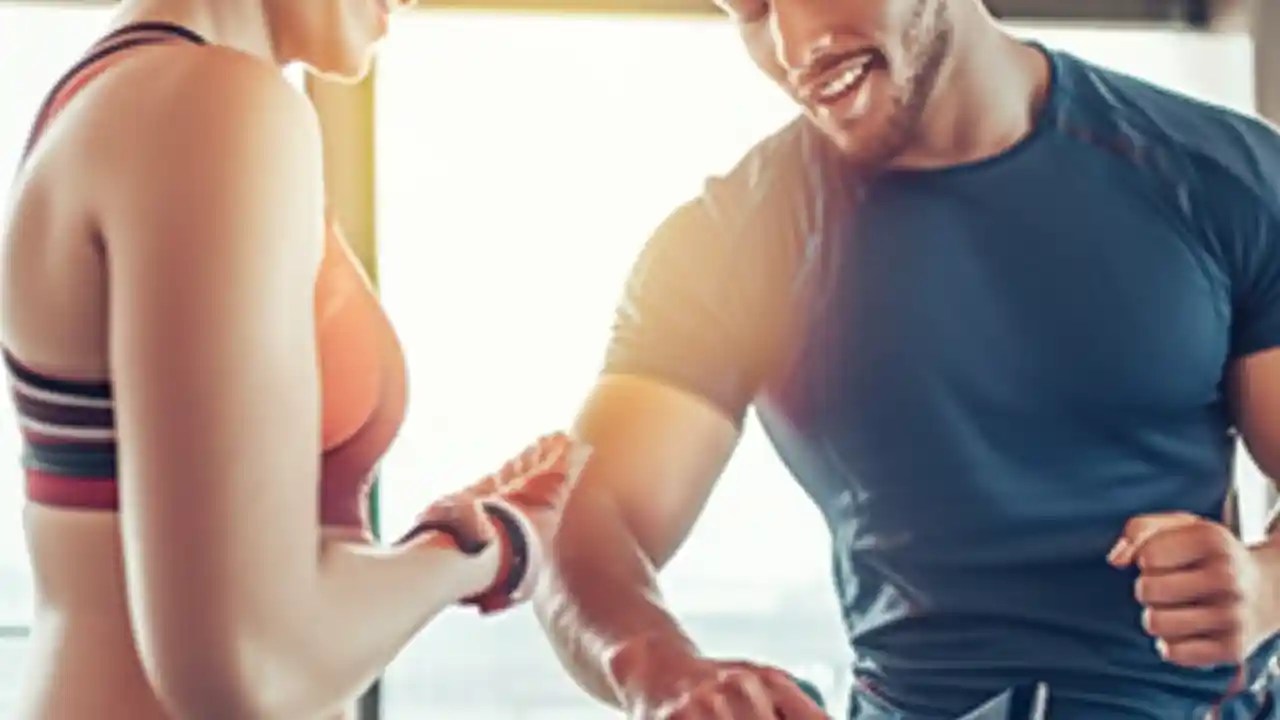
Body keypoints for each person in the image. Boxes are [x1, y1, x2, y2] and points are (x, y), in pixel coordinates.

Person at [532, 0, 1280, 718]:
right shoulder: (731, 240)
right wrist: (661, 674)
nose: (794, 48)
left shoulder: (1220, 176)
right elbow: (589, 513)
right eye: (750, 8)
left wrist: (1264, 586)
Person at [2, 1, 587, 718]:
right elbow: (253, 666)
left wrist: (455, 541)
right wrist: (494, 551)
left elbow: (255, 608)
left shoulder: (137, 93)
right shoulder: (211, 108)